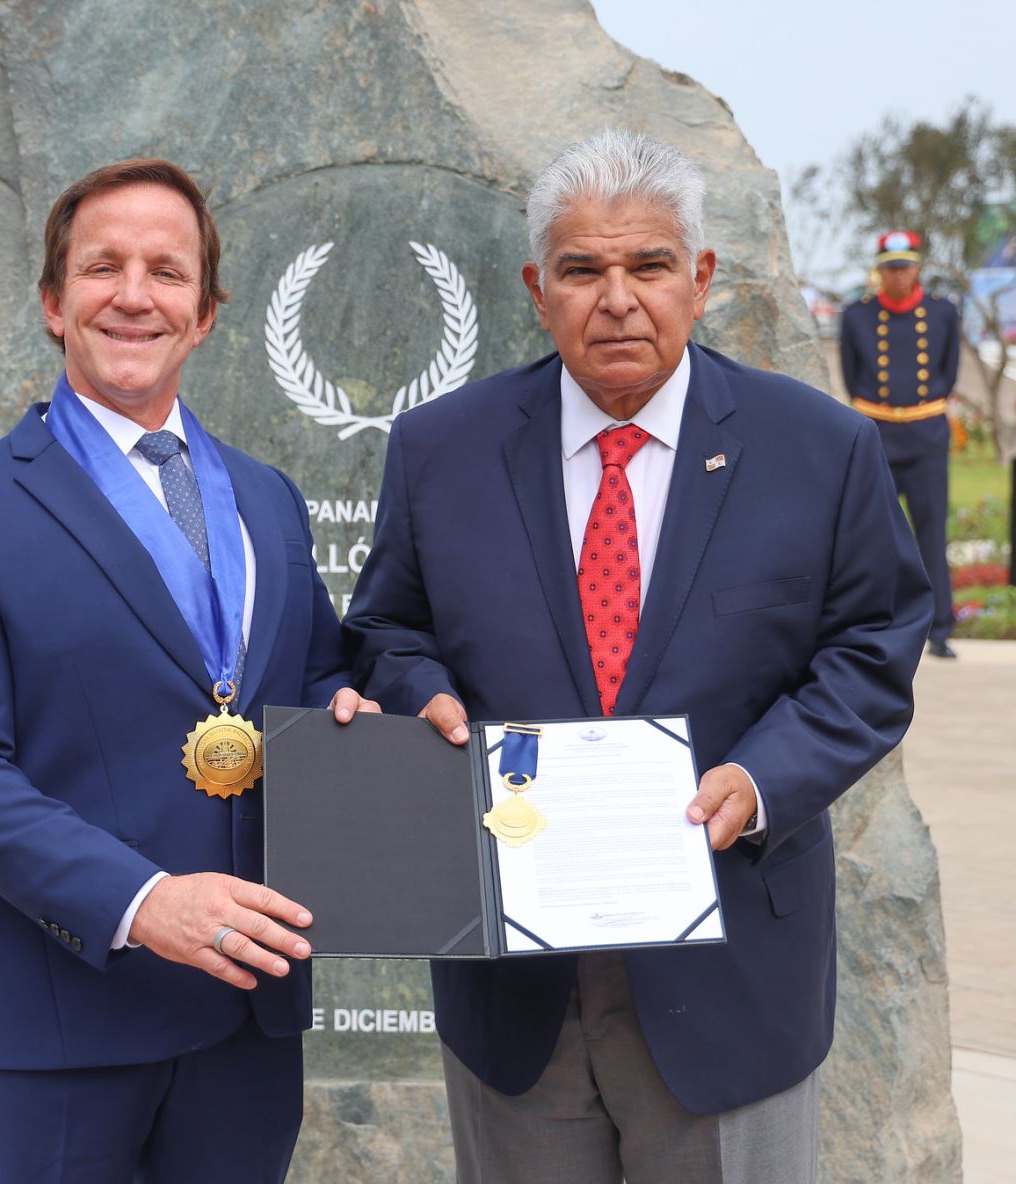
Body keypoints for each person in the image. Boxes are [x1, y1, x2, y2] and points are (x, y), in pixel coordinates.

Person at [345, 131, 932, 1184]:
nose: (617, 298)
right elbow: (389, 628)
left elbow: (872, 647)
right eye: (583, 270)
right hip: (513, 990)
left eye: (648, 266)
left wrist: (761, 779)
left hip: (731, 972)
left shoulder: (818, 450)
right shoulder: (441, 449)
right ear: (538, 288)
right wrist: (423, 699)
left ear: (699, 280)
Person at [0, 158, 374, 1184]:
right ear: (56, 304)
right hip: (57, 1022)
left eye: (167, 270)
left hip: (245, 1019)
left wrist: (352, 715)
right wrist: (145, 902)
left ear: (207, 312)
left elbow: (313, 674)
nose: (135, 295)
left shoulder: (268, 498)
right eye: (104, 267)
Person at [840, 230, 962, 657]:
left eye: (905, 266)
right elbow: (853, 376)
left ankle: (941, 629)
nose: (898, 275)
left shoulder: (943, 314)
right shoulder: (856, 316)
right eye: (891, 268)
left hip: (926, 434)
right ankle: (875, 629)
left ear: (918, 267)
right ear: (880, 270)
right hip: (877, 433)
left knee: (931, 534)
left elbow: (949, 372)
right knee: (873, 537)